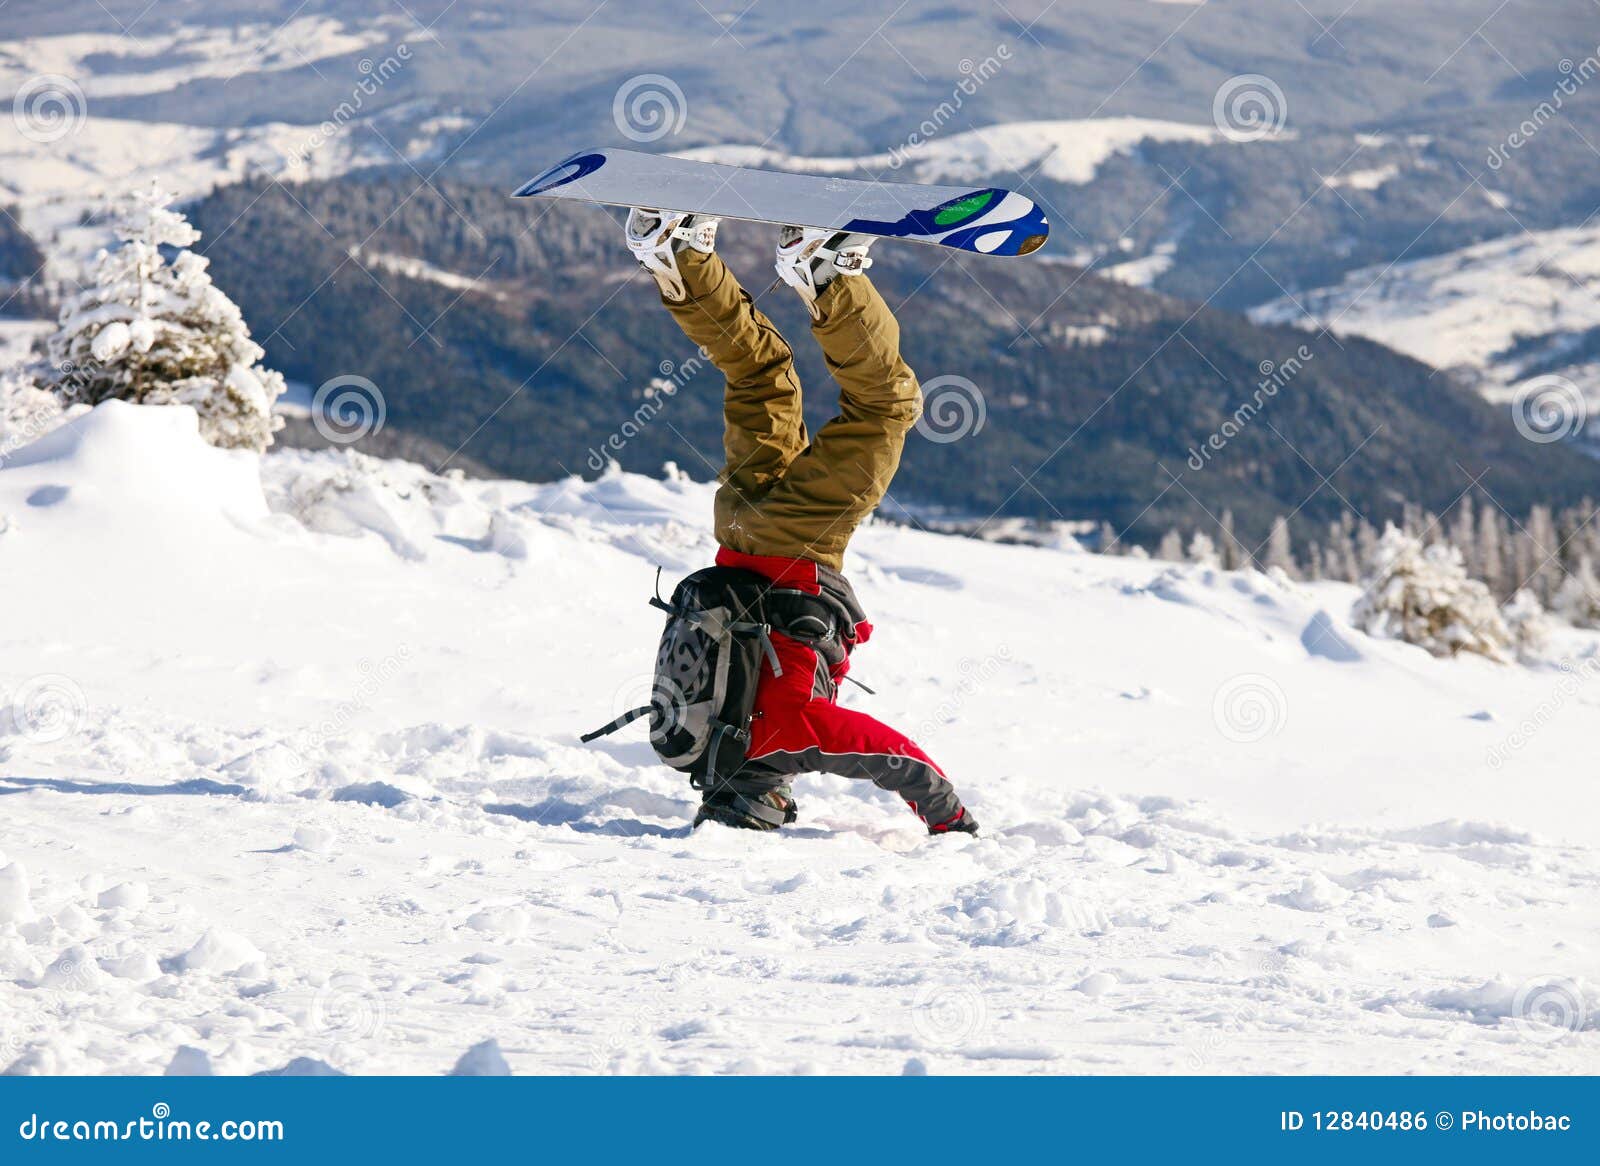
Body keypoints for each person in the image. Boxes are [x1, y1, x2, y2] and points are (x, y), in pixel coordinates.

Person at [623, 208, 977, 836]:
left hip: (796, 546)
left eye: (781, 801)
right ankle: (676, 254)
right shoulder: (694, 740)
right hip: (737, 534)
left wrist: (951, 819)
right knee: (760, 378)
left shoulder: (777, 741)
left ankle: (826, 270)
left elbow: (892, 757)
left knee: (884, 406)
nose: (790, 794)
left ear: (763, 799)